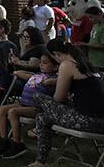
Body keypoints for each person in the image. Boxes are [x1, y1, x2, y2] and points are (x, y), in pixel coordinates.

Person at [27, 38, 104, 167]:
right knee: (42, 118)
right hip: (99, 119)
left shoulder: (67, 64)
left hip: (88, 120)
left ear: (56, 54)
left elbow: (58, 98)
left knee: (37, 97)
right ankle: (40, 161)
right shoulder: (84, 63)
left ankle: (40, 161)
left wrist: (48, 84)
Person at [0, 53, 58, 159]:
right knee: (1, 109)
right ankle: (4, 140)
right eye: (40, 62)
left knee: (13, 112)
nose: (41, 65)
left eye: (45, 63)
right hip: (24, 104)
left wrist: (49, 80)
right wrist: (32, 74)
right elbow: (17, 72)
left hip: (38, 108)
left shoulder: (53, 79)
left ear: (55, 66)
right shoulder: (37, 75)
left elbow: (52, 86)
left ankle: (17, 143)